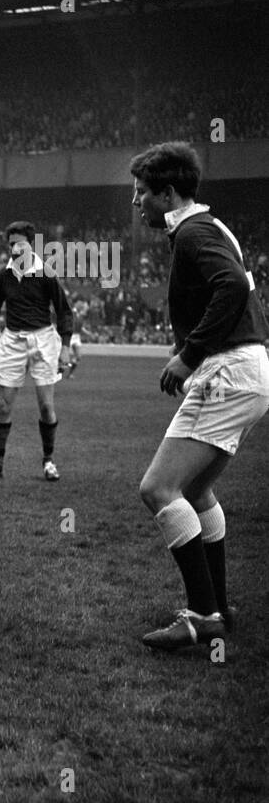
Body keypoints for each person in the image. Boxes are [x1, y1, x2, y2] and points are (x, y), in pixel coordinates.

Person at [130, 142, 269, 651]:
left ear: (168, 193)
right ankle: (220, 608)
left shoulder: (192, 231)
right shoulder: (205, 227)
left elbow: (231, 286)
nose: (136, 201)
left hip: (227, 369)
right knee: (196, 491)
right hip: (247, 370)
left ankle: (203, 614)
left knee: (158, 489)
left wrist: (190, 355)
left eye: (142, 192)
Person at [0, 222, 72, 481]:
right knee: (4, 406)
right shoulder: (2, 277)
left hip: (43, 340)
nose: (15, 248)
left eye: (20, 243)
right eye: (11, 244)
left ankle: (49, 462)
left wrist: (65, 347)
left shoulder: (46, 274)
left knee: (46, 405)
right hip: (12, 340)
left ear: (31, 245)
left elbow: (63, 310)